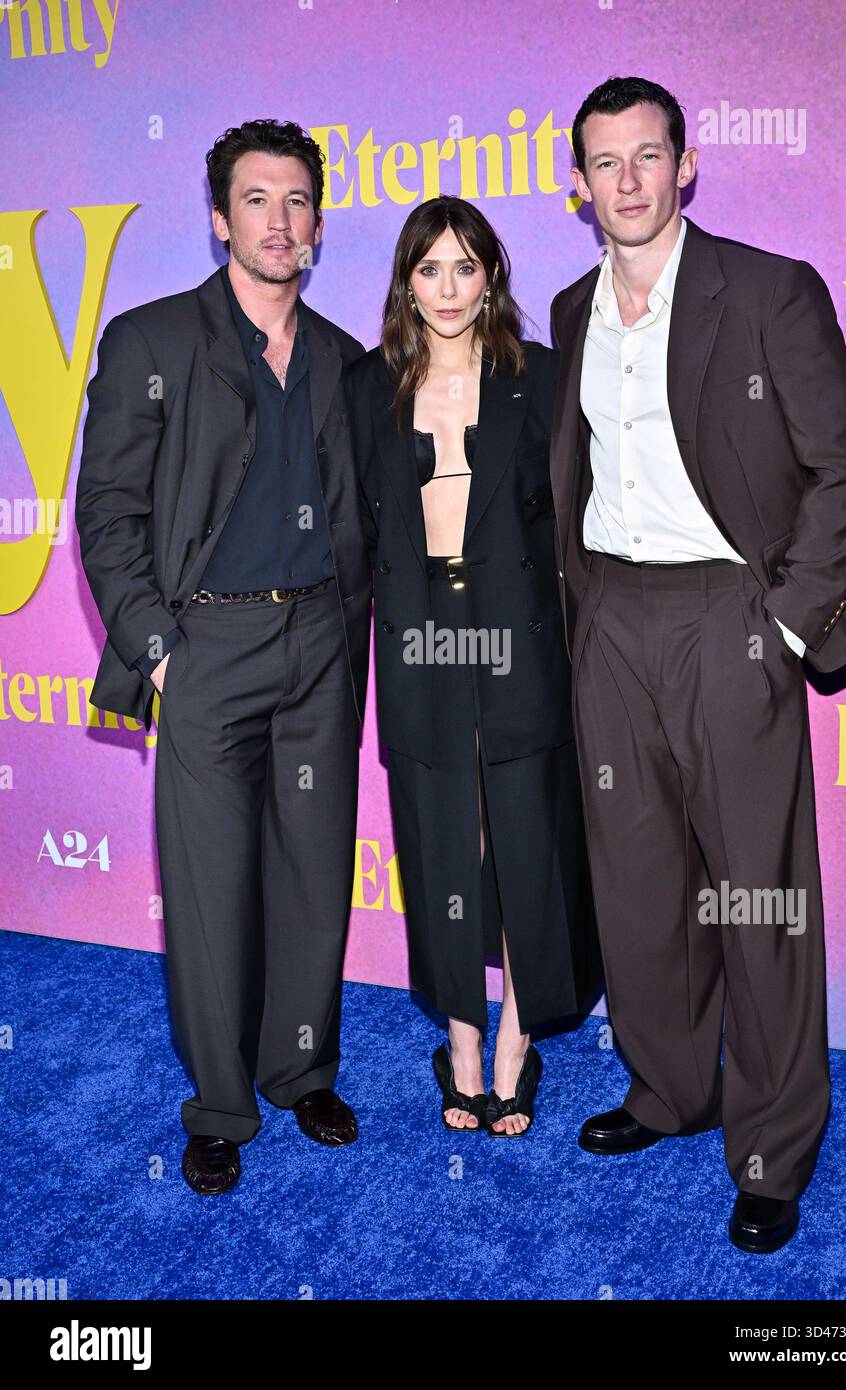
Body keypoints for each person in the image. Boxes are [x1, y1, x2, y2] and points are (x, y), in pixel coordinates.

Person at [550, 77, 846, 1250]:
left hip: (728, 614)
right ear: (575, 181)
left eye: (647, 156)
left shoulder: (766, 290)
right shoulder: (566, 309)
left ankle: (770, 1142)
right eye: (604, 161)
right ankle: (668, 1090)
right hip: (612, 619)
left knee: (756, 893)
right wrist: (584, 617)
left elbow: (843, 474)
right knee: (636, 885)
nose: (626, 180)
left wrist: (783, 626)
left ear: (685, 166)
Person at [75, 120, 370, 1194]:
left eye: (296, 200)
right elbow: (105, 510)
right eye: (255, 199)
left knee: (312, 872)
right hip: (206, 644)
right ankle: (219, 1105)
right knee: (208, 886)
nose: (278, 220)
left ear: (318, 221)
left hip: (322, 642)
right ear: (217, 219)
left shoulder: (344, 359)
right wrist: (158, 652)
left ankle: (300, 1071)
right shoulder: (152, 342)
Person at [346, 196, 601, 1137]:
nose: (447, 289)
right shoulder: (366, 387)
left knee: (527, 837)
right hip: (417, 633)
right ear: (405, 282)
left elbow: (580, 516)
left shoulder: (539, 377)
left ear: (490, 273)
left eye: (465, 267)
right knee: (444, 838)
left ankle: (516, 1043)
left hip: (523, 635)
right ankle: (460, 1040)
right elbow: (354, 530)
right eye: (428, 270)